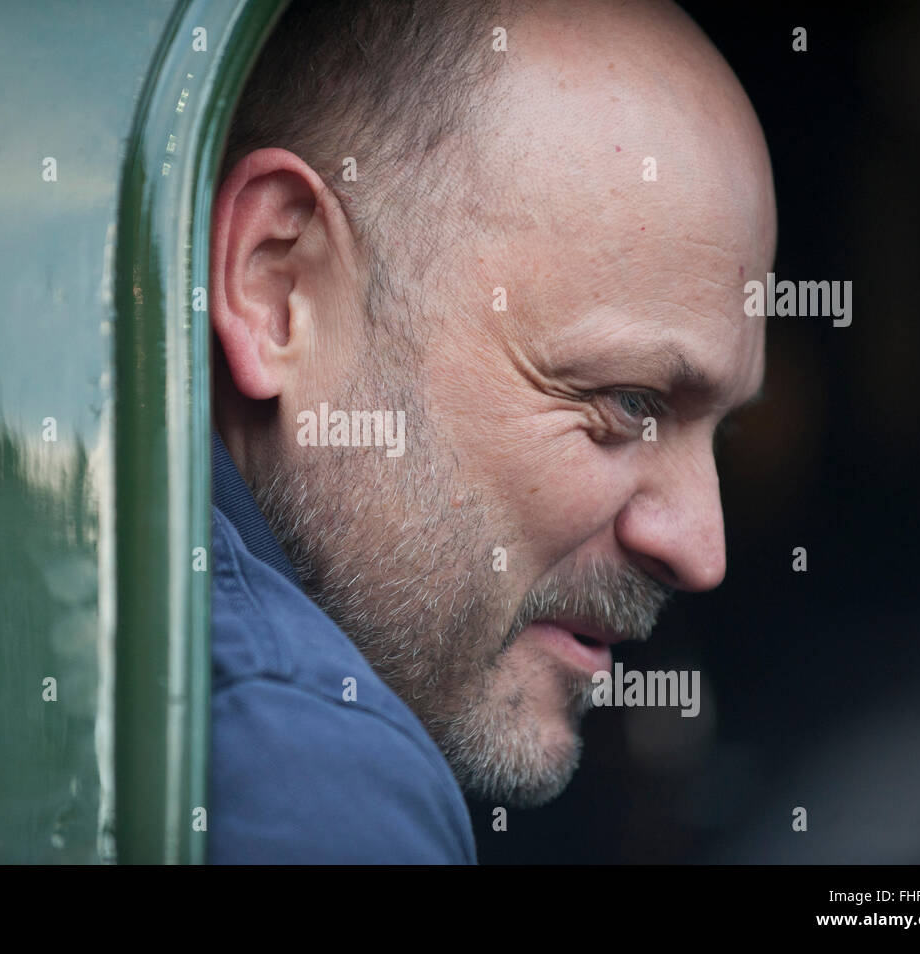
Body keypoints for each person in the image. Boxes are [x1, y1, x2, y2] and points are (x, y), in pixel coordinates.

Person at [206, 0, 775, 863]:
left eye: (718, 436)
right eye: (629, 404)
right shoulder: (309, 782)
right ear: (280, 291)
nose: (703, 550)